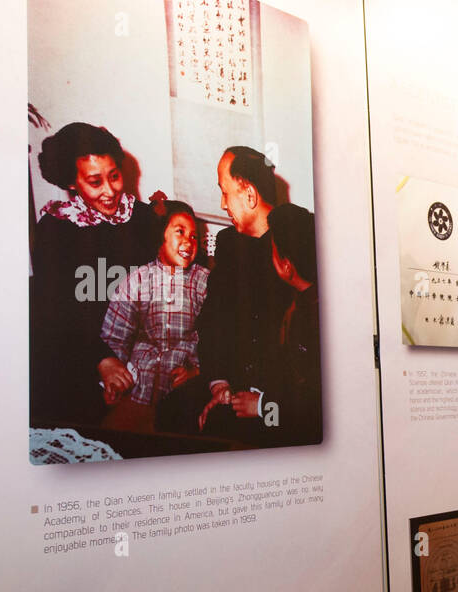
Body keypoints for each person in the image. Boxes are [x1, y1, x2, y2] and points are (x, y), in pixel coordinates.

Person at [30, 122, 155, 429]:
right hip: (78, 351)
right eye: (94, 182)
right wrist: (101, 359)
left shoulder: (143, 218)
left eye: (114, 176)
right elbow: (56, 311)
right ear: (72, 183)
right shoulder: (55, 228)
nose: (110, 191)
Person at [175, 146, 292, 442]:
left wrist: (264, 401)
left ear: (249, 195)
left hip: (277, 395)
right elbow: (212, 322)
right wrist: (218, 383)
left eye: (225, 193)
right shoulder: (228, 244)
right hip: (231, 383)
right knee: (174, 411)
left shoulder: (297, 242)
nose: (222, 204)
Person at [98, 200, 208, 433]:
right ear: (160, 235)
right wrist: (113, 379)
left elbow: (216, 337)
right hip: (139, 386)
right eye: (180, 232)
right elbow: (115, 337)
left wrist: (197, 370)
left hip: (182, 390)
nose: (189, 241)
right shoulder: (136, 280)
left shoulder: (204, 282)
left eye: (194, 236)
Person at [257, 203, 322, 446]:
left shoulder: (311, 319)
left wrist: (263, 404)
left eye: (273, 250)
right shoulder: (302, 300)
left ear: (286, 266)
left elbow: (312, 401)